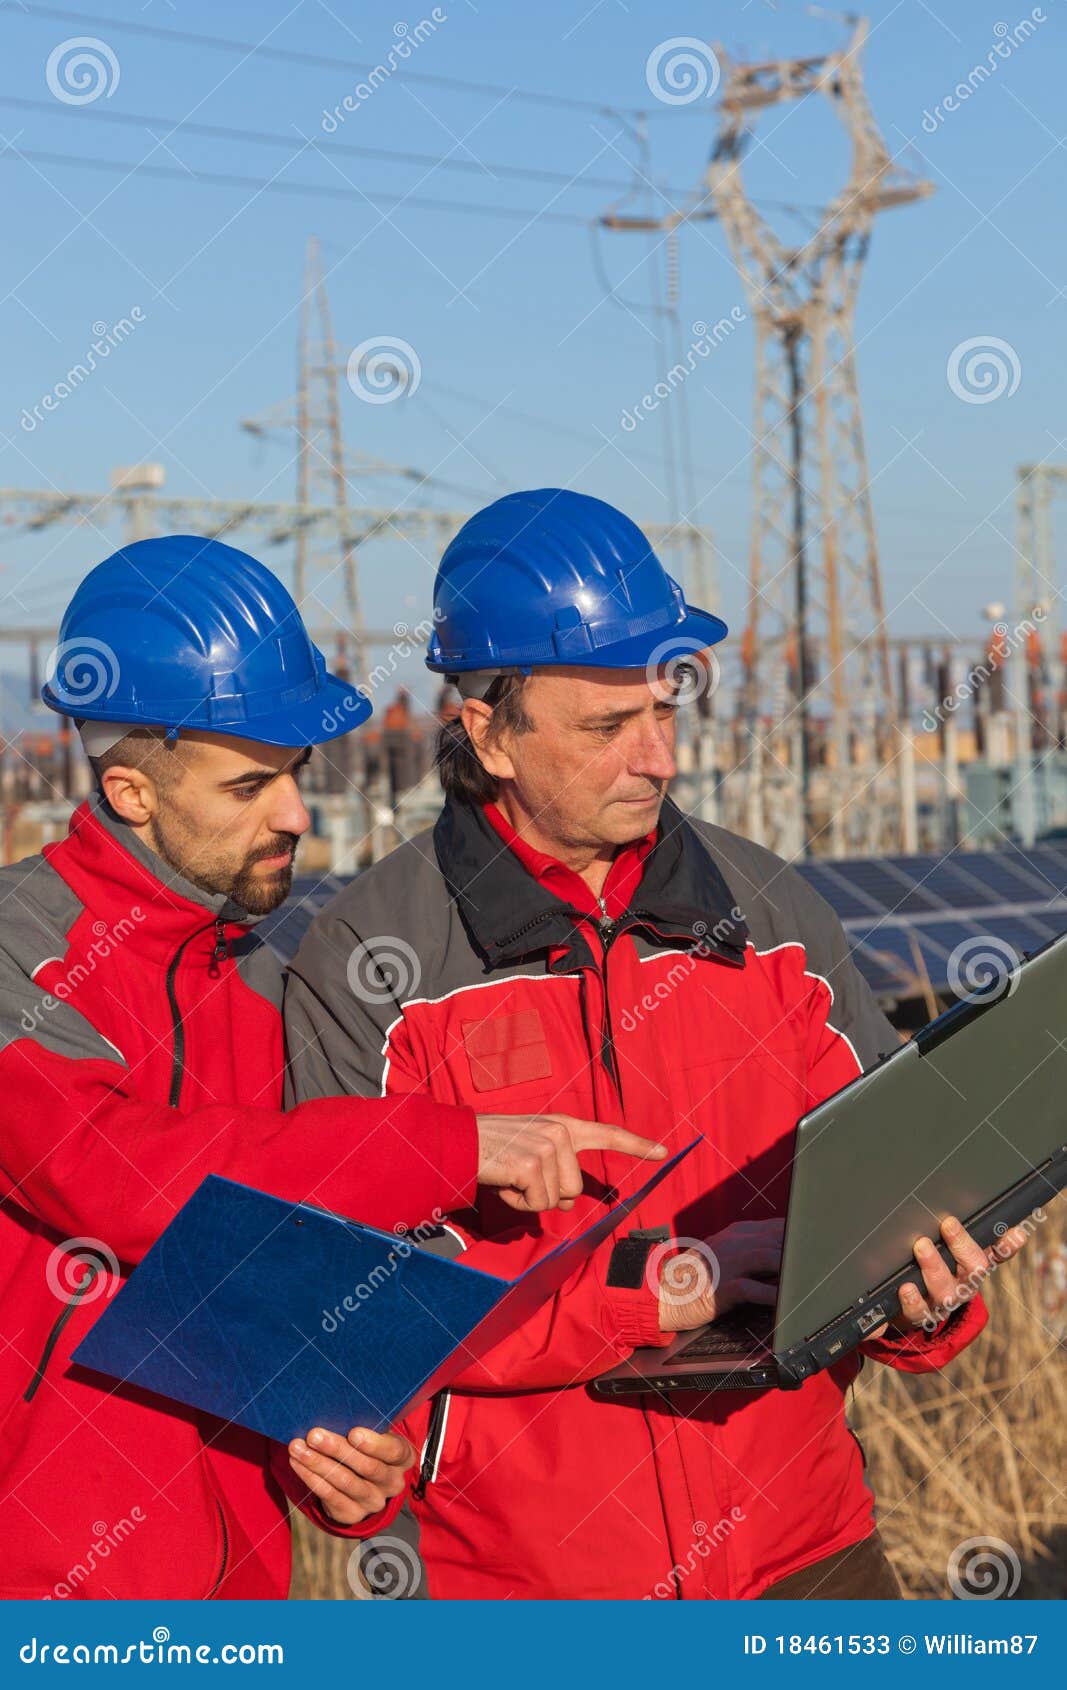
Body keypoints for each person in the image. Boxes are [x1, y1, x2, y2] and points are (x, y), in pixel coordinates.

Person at [283, 489, 1030, 1600]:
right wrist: (640, 1294)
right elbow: (355, 1310)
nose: (655, 756)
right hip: (534, 1596)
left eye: (664, 711)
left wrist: (928, 1292)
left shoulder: (769, 913)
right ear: (485, 730)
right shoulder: (367, 968)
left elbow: (882, 1185)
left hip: (808, 1557)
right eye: (603, 727)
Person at [0, 532, 663, 1601]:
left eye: (295, 777)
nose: (295, 816)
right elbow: (113, 1177)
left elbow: (315, 1275)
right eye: (249, 785)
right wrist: (452, 1144)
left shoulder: (268, 988)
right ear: (130, 790)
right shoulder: (17, 950)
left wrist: (358, 1471)